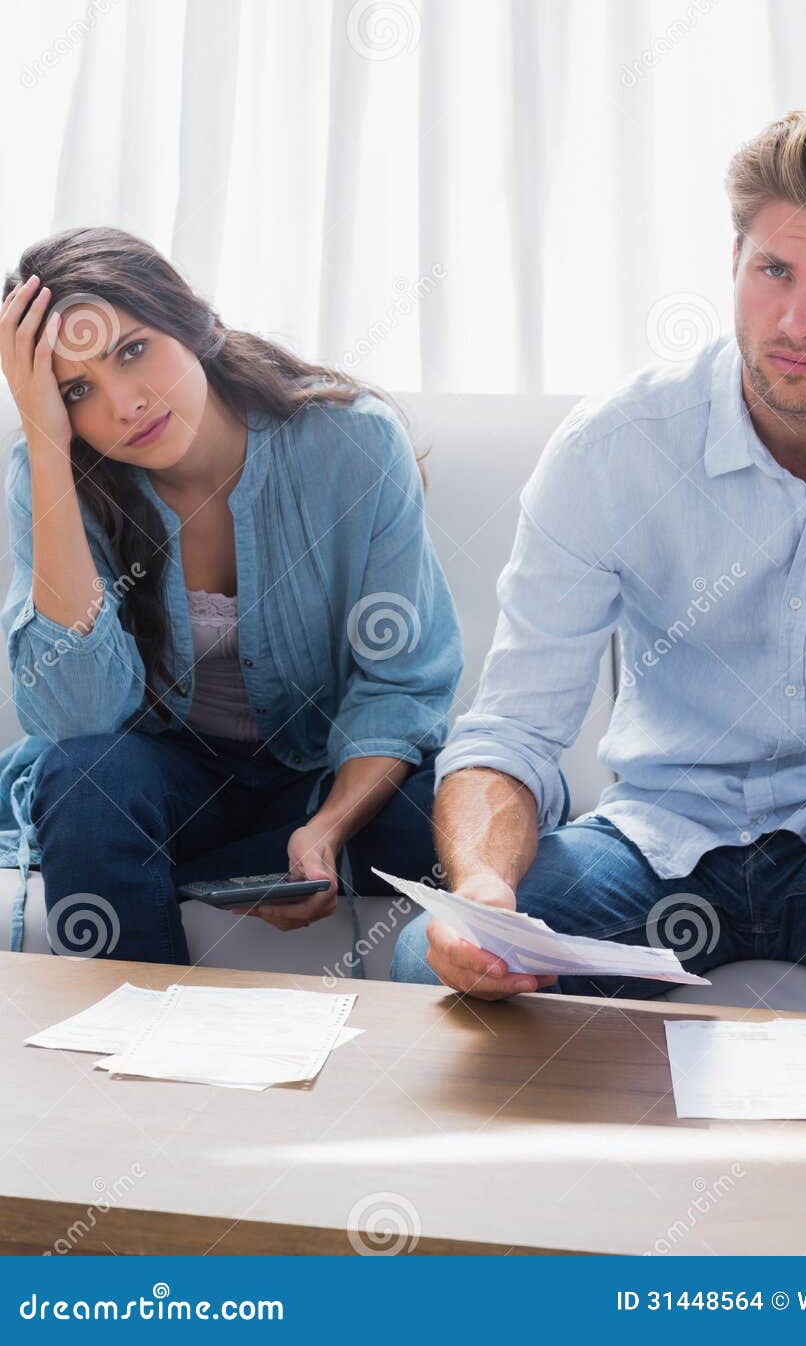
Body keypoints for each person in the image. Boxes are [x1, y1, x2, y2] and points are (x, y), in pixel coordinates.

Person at [392, 102, 806, 1020]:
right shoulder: (615, 445)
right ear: (732, 262)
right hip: (659, 848)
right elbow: (513, 730)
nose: (798, 321)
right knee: (428, 965)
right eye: (773, 270)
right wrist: (484, 892)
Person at [0, 226, 461, 964]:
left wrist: (328, 830)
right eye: (75, 390)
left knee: (444, 812)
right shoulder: (56, 476)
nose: (124, 404)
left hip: (323, 772)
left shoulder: (351, 443)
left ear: (191, 320)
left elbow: (402, 685)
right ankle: (140, 1044)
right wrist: (49, 453)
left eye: (132, 350)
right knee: (85, 781)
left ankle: (221, 867)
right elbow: (79, 719)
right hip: (171, 784)